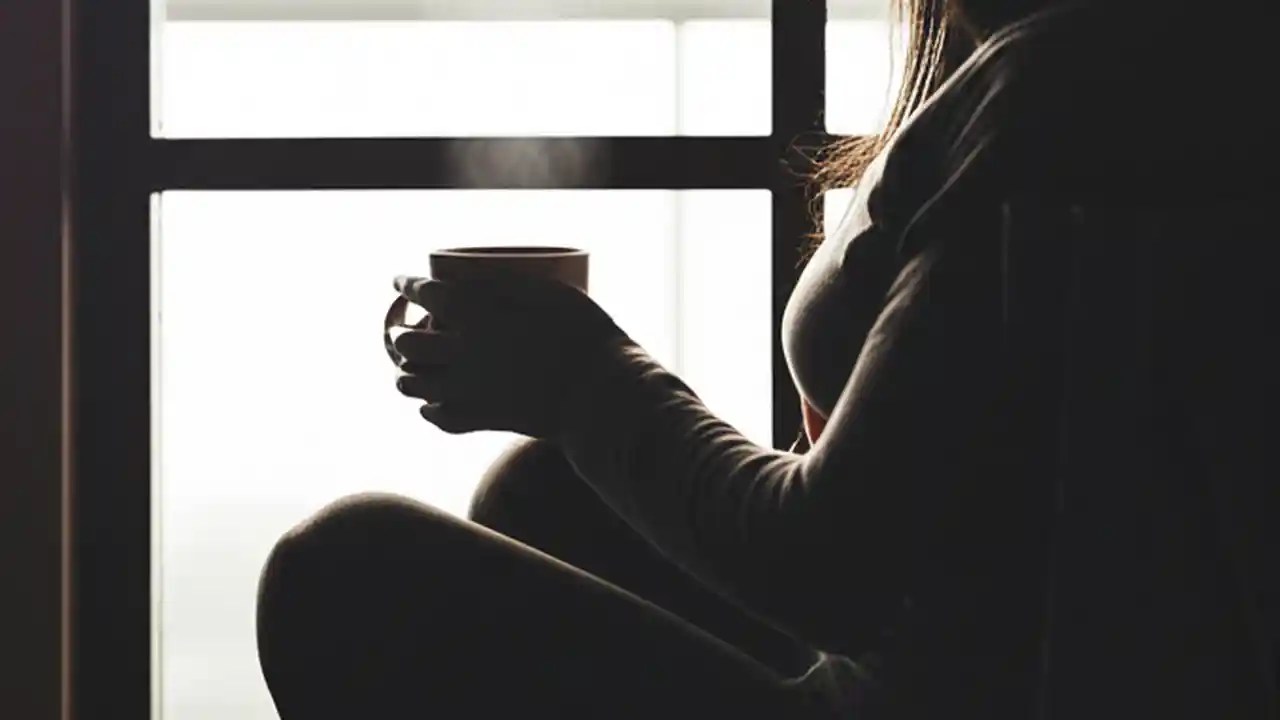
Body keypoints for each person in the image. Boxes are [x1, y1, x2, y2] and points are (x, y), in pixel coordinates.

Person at [254, 1, 1274, 717]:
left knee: (340, 571)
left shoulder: (1050, 102)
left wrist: (583, 380)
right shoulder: (1090, 63)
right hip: (979, 652)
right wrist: (586, 404)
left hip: (933, 688)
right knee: (549, 491)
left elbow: (833, 571)